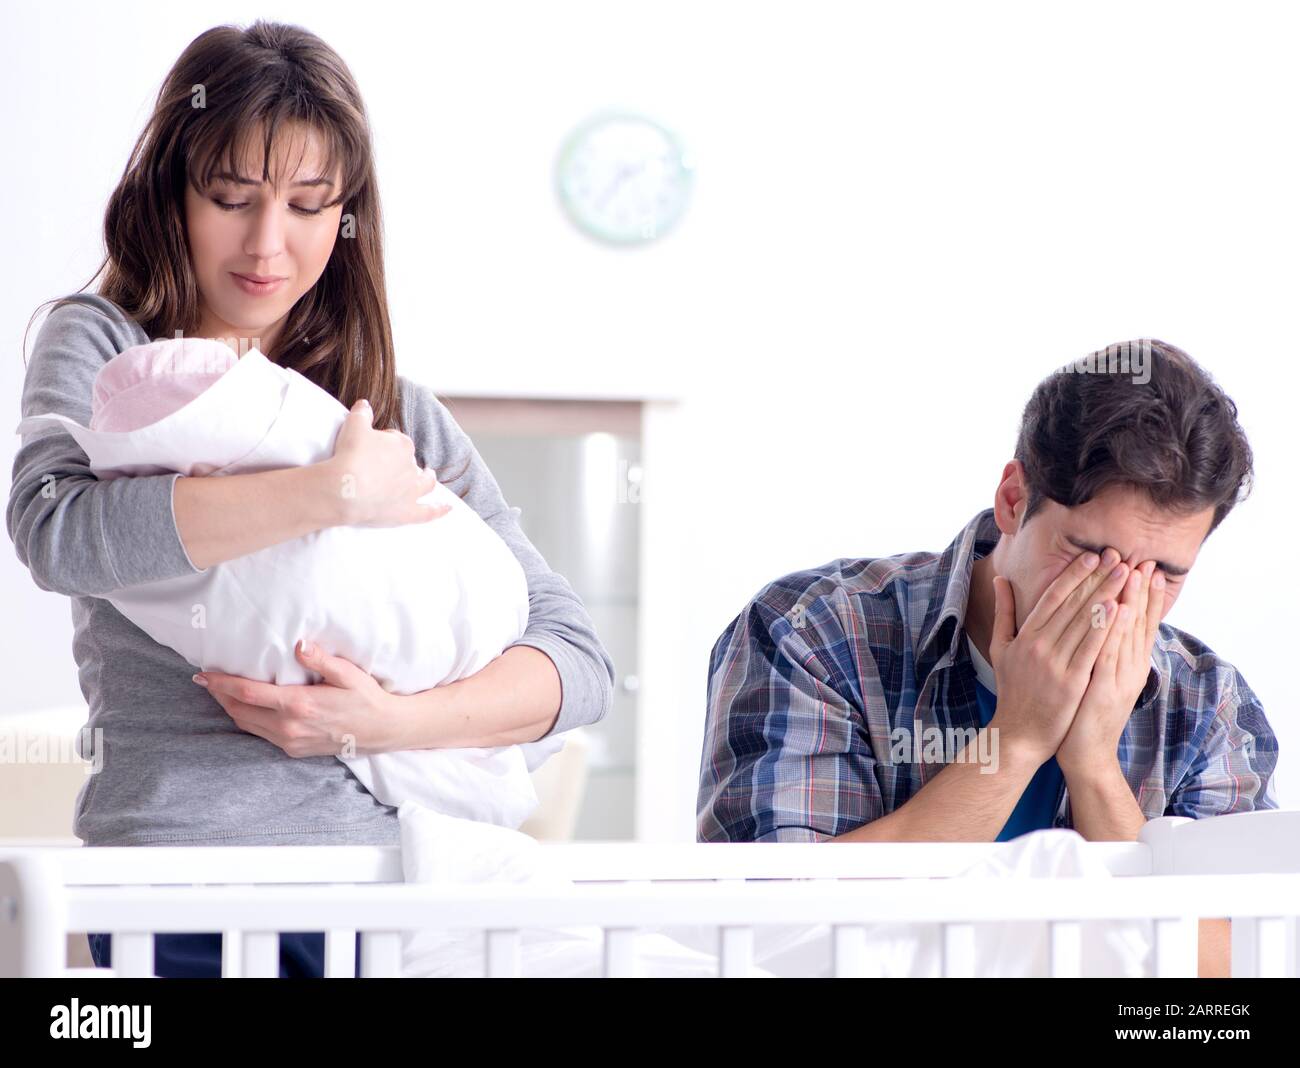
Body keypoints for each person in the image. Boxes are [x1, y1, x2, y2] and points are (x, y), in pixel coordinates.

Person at [8, 21, 613, 978]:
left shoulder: (394, 406)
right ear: (172, 194)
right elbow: (59, 533)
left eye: (306, 205)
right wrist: (331, 491)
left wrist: (378, 725)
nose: (267, 244)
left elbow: (578, 665)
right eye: (231, 199)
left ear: (346, 215)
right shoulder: (104, 345)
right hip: (186, 882)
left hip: (402, 884)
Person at [697, 338, 1279, 978]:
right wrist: (1020, 737)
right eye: (1090, 555)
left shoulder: (1206, 702)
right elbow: (769, 932)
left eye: (1163, 574)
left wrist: (1093, 768)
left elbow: (1237, 972)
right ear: (1012, 499)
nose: (1115, 602)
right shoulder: (812, 631)